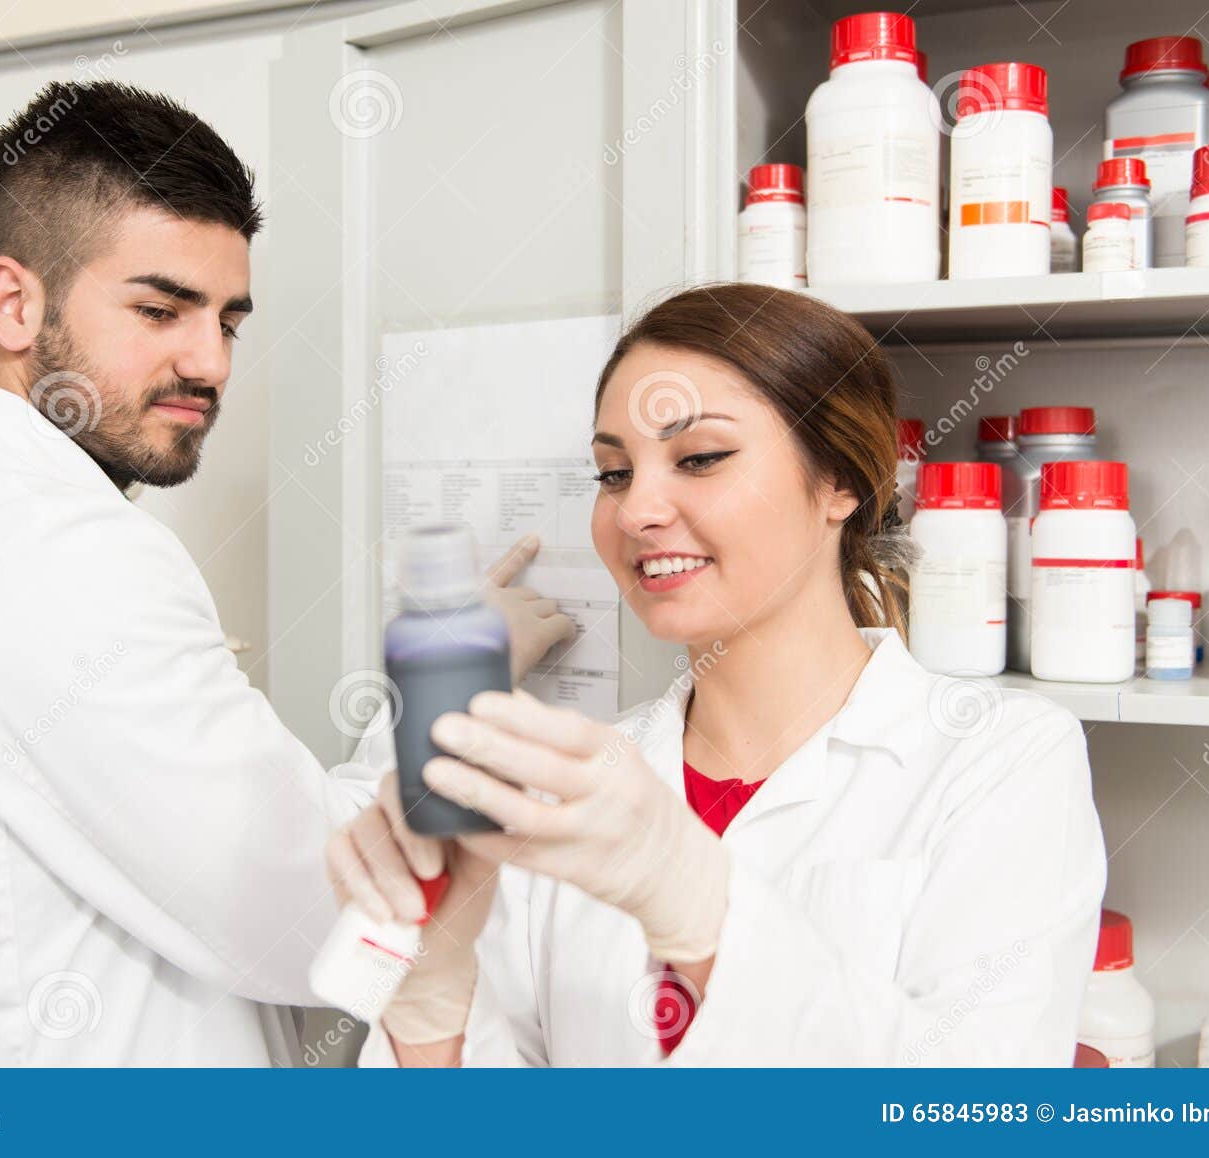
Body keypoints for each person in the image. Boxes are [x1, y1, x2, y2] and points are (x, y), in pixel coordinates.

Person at [0, 80, 574, 1065]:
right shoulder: (61, 560)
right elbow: (324, 920)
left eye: (228, 321)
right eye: (161, 309)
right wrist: (458, 676)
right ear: (14, 301)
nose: (209, 362)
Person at [328, 284, 1107, 1066]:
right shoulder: (573, 781)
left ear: (839, 479)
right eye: (612, 473)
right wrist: (434, 1004)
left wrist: (695, 904)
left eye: (700, 458)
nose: (636, 512)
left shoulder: (1000, 760)